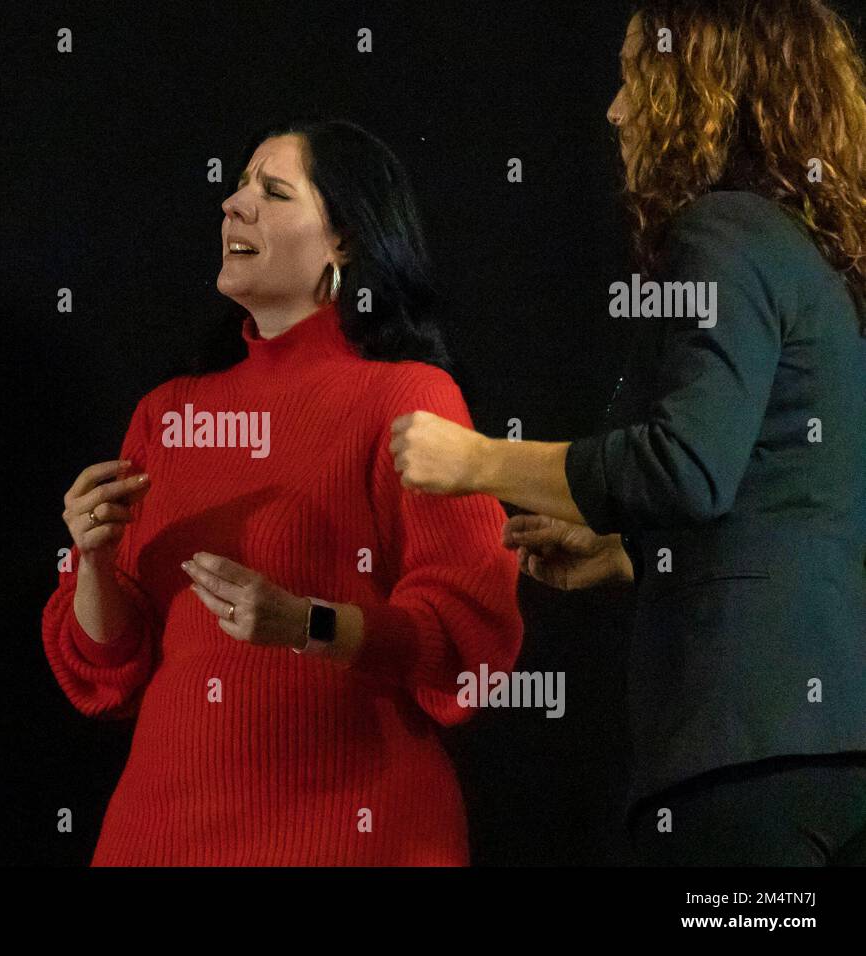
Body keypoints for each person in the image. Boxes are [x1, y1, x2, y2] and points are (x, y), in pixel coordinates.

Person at [389, 0, 866, 865]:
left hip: (740, 755)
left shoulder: (721, 231)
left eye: (635, 78)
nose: (615, 110)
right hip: (829, 758)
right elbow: (798, 493)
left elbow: (687, 466)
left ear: (703, 87)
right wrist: (625, 554)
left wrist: (477, 460)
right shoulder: (815, 261)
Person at [42, 119, 523, 865]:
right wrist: (94, 560)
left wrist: (308, 624)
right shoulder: (167, 413)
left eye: (272, 191)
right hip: (161, 837)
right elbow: (107, 667)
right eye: (237, 187)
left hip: (352, 835)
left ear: (347, 243)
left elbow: (466, 642)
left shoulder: (408, 399)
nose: (234, 205)